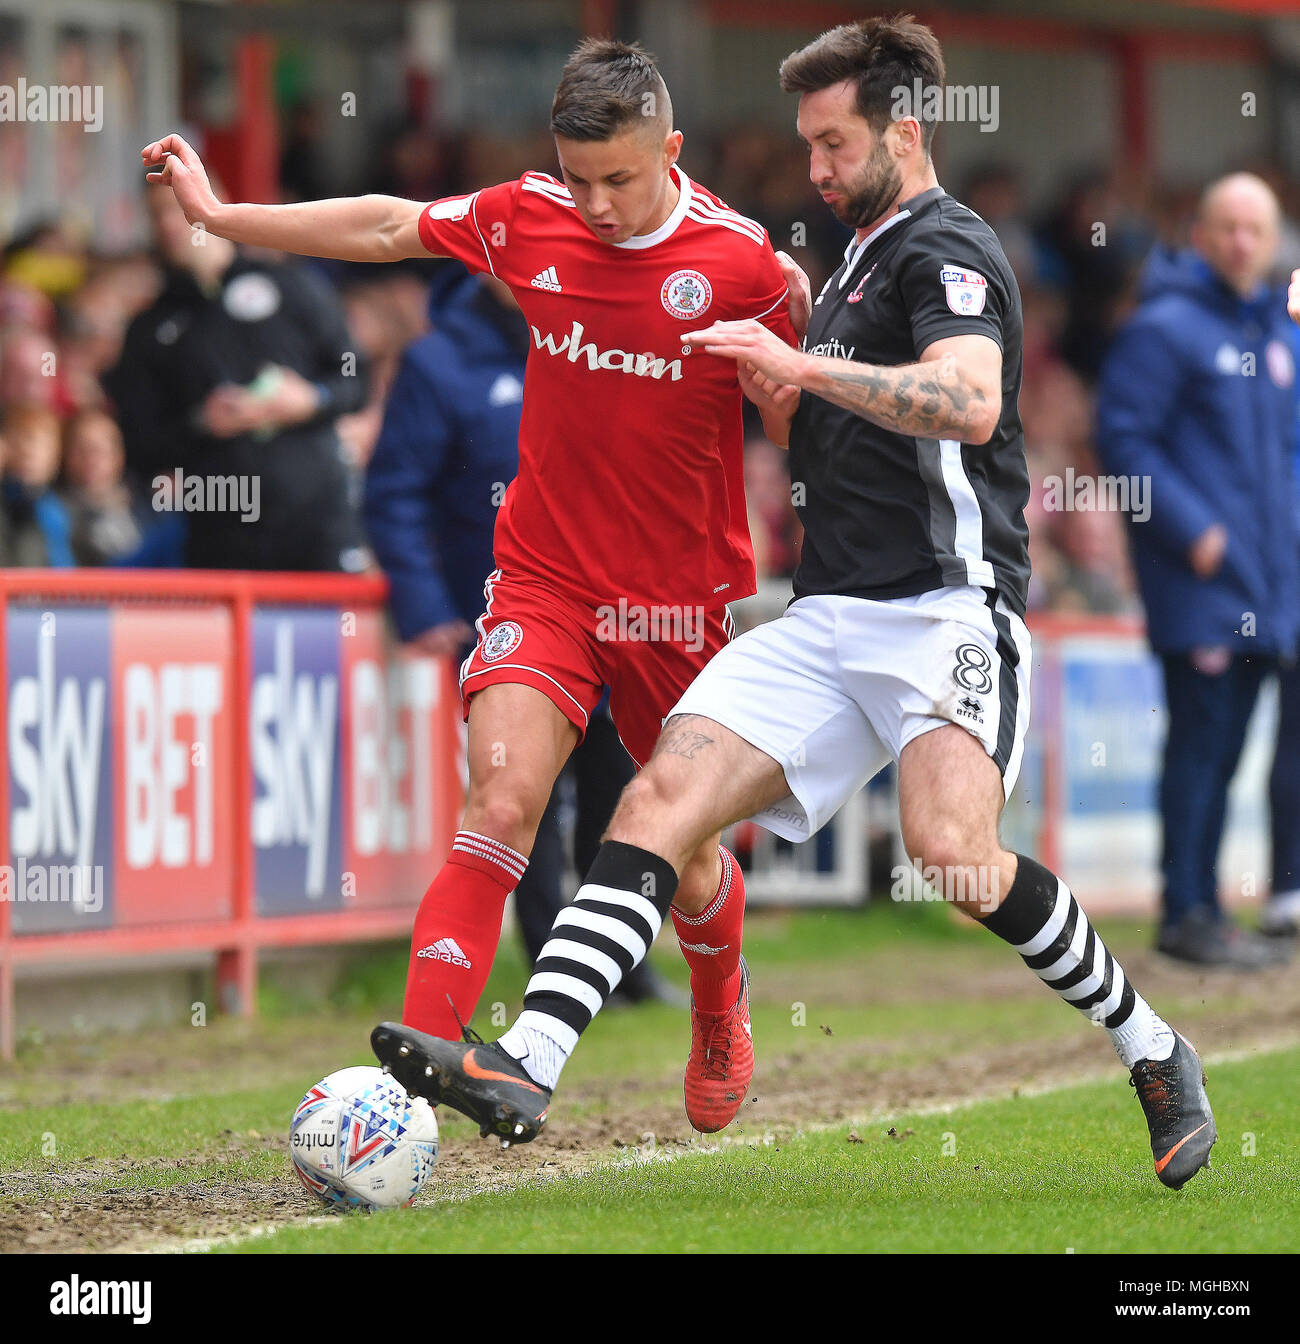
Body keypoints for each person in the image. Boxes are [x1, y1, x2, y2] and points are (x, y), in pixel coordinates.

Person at [374, 16, 1217, 1193]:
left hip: (946, 608)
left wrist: (805, 370)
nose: (811, 170)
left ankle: (1152, 1046)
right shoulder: (851, 257)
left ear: (902, 132)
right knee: (661, 797)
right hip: (828, 615)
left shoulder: (949, 250)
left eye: (831, 145)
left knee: (953, 856)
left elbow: (968, 403)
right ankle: (526, 1058)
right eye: (807, 145)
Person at [144, 38, 799, 1133]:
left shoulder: (742, 267)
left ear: (671, 151)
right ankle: (412, 1077)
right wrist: (225, 216)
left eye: (619, 180)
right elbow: (388, 223)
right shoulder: (526, 216)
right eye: (576, 176)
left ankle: (719, 1005)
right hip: (542, 579)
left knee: (680, 862)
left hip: (676, 606)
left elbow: (809, 415)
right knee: (501, 799)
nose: (591, 203)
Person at [364, 263, 675, 1002]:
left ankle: (615, 959)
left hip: (617, 617)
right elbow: (395, 491)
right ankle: (548, 956)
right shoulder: (439, 363)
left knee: (623, 788)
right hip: (505, 621)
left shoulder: (600, 343)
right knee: (520, 797)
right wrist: (427, 606)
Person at [1097, 175, 1298, 968]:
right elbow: (1123, 441)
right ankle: (1184, 910)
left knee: (1232, 748)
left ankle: (1209, 910)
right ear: (1202, 234)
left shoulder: (1277, 337)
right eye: (1229, 227)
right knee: (1201, 748)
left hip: (1266, 587)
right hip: (1204, 584)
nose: (1244, 242)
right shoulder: (1164, 329)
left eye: (1258, 229)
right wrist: (1197, 536)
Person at [104, 182, 369, 572]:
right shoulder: (148, 330)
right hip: (221, 536)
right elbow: (139, 446)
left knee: (331, 632)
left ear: (215, 202)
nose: (166, 223)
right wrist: (200, 424)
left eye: (174, 207)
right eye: (154, 214)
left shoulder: (291, 286)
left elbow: (356, 377)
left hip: (318, 525)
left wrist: (312, 399)